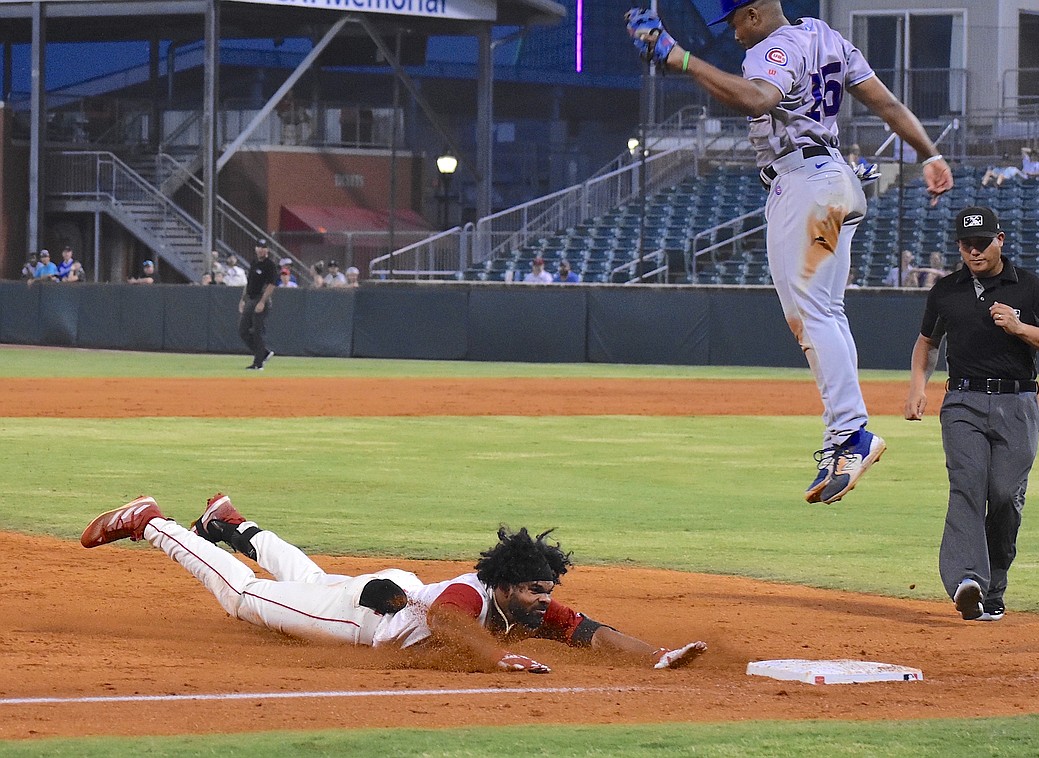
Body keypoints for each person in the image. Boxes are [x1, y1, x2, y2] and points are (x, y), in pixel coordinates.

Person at [624, 1, 953, 503]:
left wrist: (681, 58)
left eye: (735, 21)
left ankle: (851, 435)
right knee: (825, 311)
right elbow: (888, 105)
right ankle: (842, 436)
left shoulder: (772, 47)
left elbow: (758, 98)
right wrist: (931, 154)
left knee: (811, 313)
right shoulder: (827, 37)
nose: (734, 33)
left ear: (754, 14)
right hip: (832, 178)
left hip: (805, 183)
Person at [80, 493, 708, 674]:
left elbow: (592, 632)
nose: (545, 601)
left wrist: (657, 655)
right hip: (365, 615)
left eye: (547, 592)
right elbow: (448, 624)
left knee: (311, 578)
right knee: (245, 597)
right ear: (506, 586)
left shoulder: (528, 609)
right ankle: (152, 522)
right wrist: (498, 660)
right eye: (536, 592)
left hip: (391, 593)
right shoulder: (470, 595)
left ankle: (230, 523)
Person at [904, 206, 1039, 622]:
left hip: (1017, 404)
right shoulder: (945, 290)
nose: (974, 252)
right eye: (967, 244)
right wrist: (917, 387)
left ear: (1000, 240)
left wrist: (1020, 328)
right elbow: (927, 342)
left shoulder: (1027, 287)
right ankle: (967, 580)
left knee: (1004, 497)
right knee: (967, 486)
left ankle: (993, 588)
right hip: (962, 401)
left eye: (982, 243)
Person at [239, 239, 278, 370]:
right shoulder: (254, 263)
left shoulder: (270, 265)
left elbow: (271, 285)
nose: (261, 249)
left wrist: (262, 301)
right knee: (243, 330)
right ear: (255, 249)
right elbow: (248, 283)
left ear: (267, 250)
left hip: (261, 299)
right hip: (250, 298)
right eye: (259, 247)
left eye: (263, 247)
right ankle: (264, 353)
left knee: (257, 331)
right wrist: (242, 299)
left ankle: (258, 363)